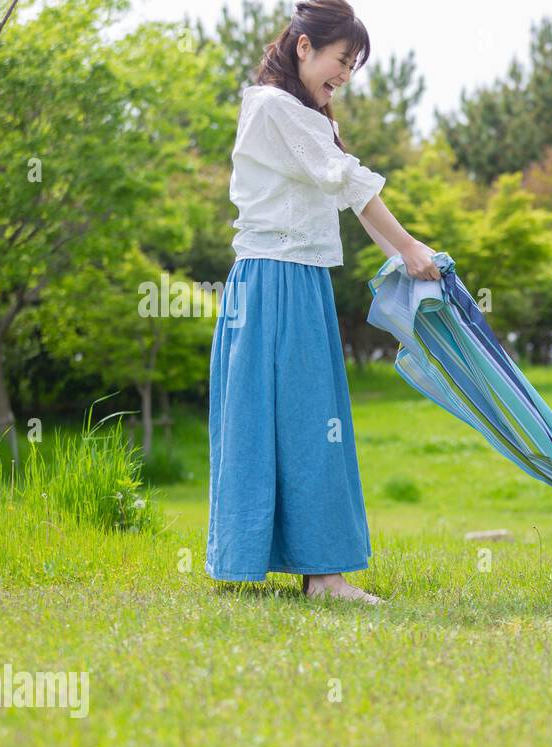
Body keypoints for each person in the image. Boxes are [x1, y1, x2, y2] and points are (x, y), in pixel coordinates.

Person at [206, 0, 440, 603]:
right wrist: (412, 250)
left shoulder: (296, 112)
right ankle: (321, 576)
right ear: (304, 46)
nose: (345, 75)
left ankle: (293, 567)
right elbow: (352, 185)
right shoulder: (275, 107)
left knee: (290, 421)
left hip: (284, 279)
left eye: (353, 66)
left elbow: (346, 193)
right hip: (277, 279)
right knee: (303, 421)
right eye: (341, 60)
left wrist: (404, 251)